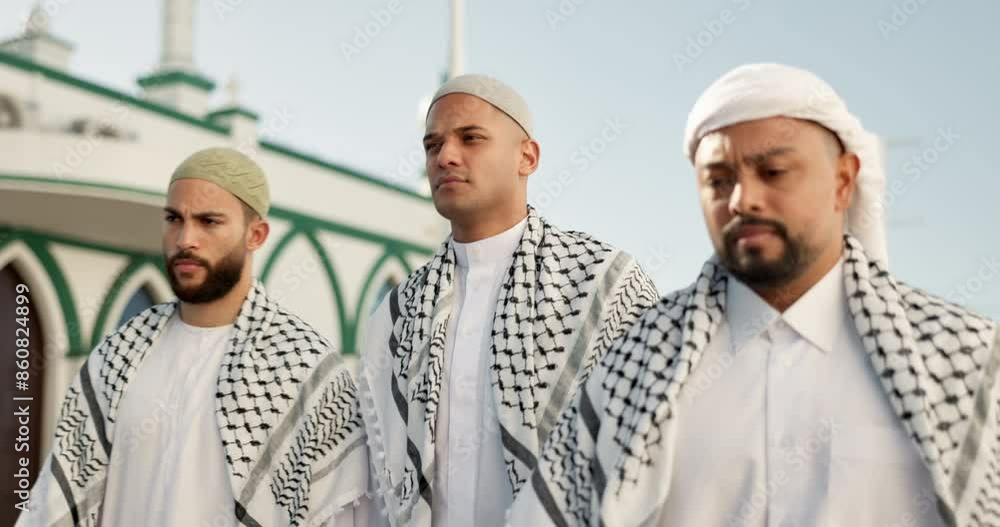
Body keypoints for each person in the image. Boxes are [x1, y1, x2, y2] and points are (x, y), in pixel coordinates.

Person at [509, 63, 999, 526]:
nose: (743, 199)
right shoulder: (636, 361)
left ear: (844, 181)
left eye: (774, 172)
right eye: (719, 181)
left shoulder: (962, 359)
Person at [358, 74, 659, 526]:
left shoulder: (603, 284)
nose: (446, 157)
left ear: (527, 156)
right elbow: (375, 480)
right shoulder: (398, 313)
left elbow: (657, 452)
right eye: (432, 145)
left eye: (471, 138)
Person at [18, 147, 370, 526]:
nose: (185, 239)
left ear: (256, 235)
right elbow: (54, 503)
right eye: (174, 219)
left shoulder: (305, 370)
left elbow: (342, 514)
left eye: (208, 221)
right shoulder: (117, 354)